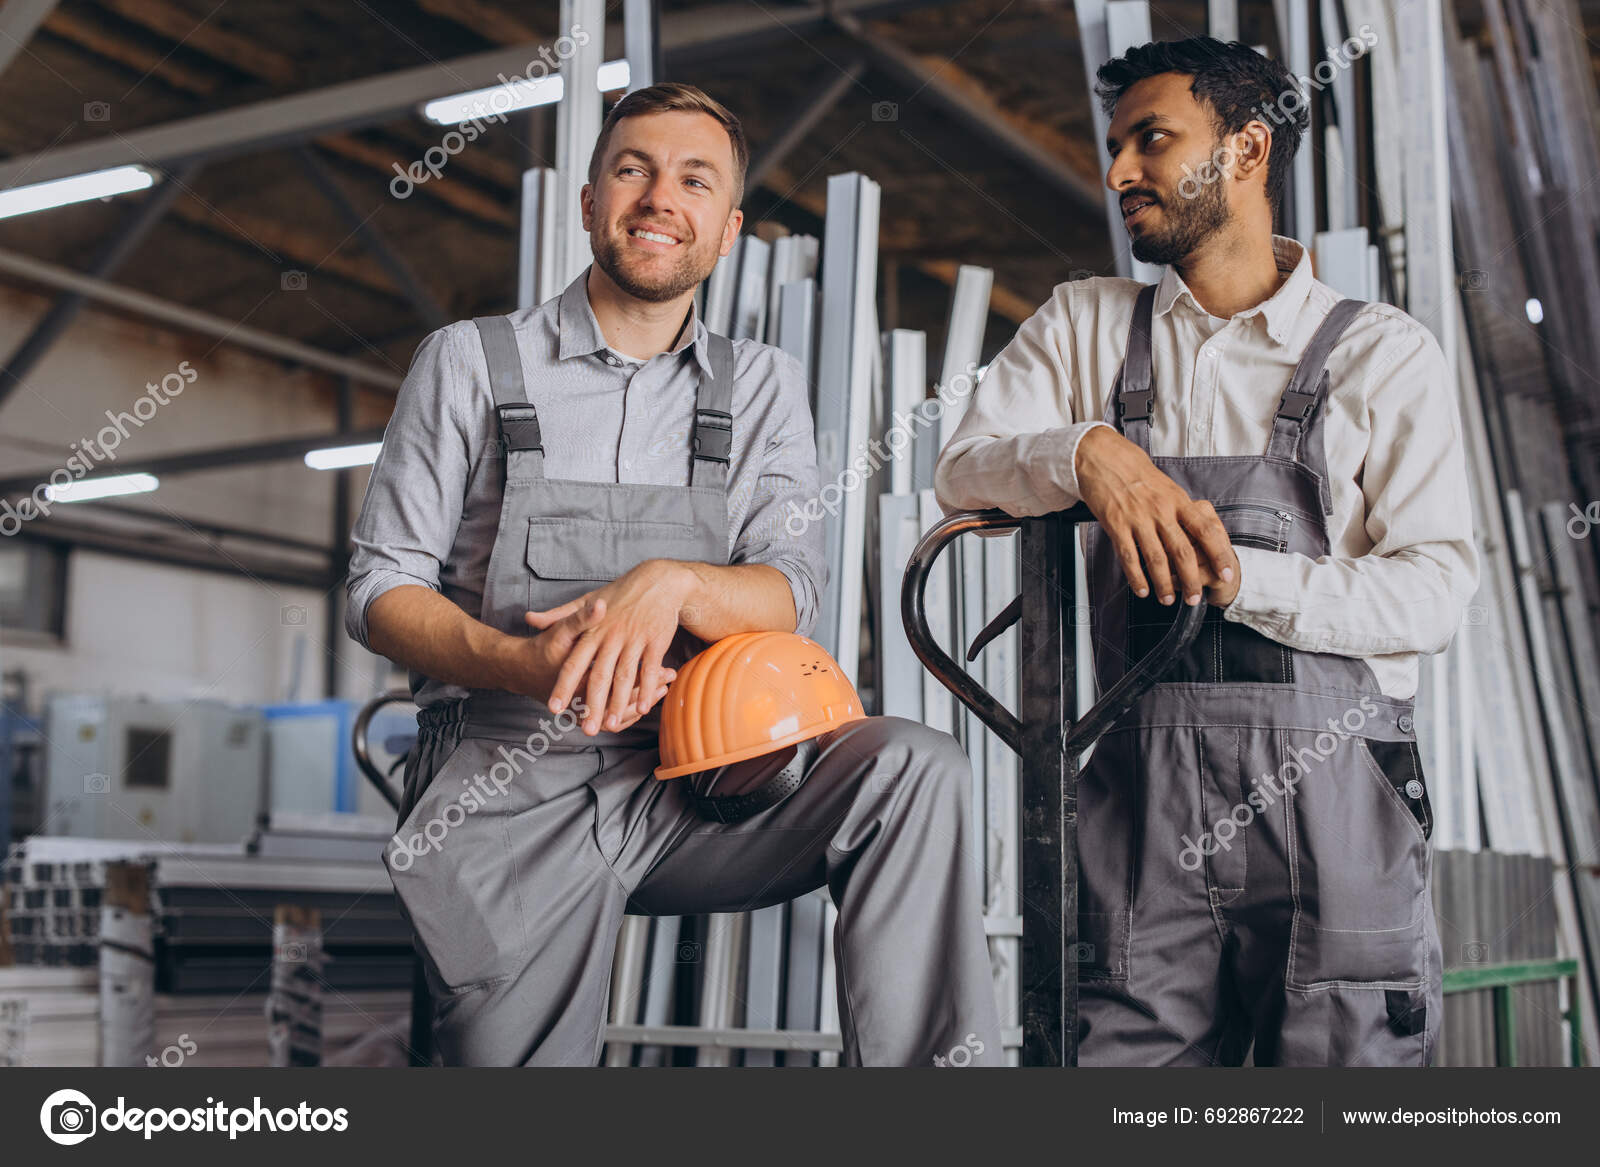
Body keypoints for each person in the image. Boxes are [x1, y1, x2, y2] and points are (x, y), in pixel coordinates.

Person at [345, 82, 1001, 1066]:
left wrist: (676, 584)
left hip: (702, 776)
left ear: (726, 228)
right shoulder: (471, 363)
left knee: (916, 771)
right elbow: (378, 589)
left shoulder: (763, 384)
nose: (660, 197)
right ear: (589, 202)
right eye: (632, 169)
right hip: (505, 781)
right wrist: (515, 663)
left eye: (693, 179)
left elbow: (793, 590)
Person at [934, 38, 1477, 1065]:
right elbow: (960, 468)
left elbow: (1437, 593)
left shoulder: (1380, 354)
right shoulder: (1087, 328)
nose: (1117, 173)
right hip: (1141, 816)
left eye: (1151, 140)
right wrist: (1086, 450)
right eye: (1113, 146)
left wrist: (1235, 576)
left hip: (1335, 813)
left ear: (1247, 149)